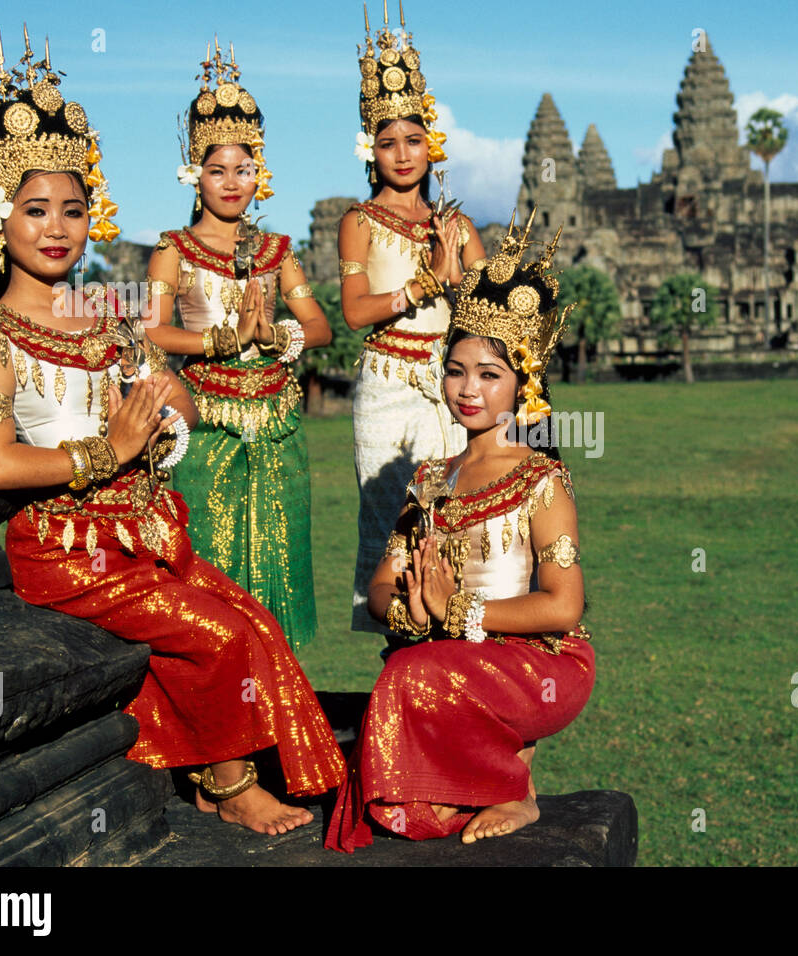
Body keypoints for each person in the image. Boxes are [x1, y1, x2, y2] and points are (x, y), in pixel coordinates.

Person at [0, 30, 343, 834]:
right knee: (218, 632)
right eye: (35, 210)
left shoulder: (104, 316)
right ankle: (228, 783)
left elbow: (181, 411)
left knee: (255, 621)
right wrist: (109, 450)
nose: (58, 228)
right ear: (0, 216)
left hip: (143, 532)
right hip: (66, 550)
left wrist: (168, 405)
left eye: (72, 209)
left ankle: (217, 774)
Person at [327, 213, 593, 851]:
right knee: (408, 771)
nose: (468, 389)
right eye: (456, 370)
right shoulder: (430, 478)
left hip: (540, 662)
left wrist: (461, 611)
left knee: (409, 678)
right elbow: (382, 588)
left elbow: (564, 607)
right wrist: (416, 614)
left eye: (489, 374)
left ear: (523, 385)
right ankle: (469, 777)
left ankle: (512, 785)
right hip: (446, 652)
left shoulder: (540, 478)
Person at [144, 41, 331, 652]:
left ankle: (278, 710)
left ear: (261, 174)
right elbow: (151, 329)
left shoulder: (277, 253)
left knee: (279, 561)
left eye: (243, 169)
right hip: (207, 424)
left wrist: (277, 335)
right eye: (217, 169)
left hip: (277, 419)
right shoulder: (173, 248)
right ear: (193, 172)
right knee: (213, 560)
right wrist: (222, 338)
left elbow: (321, 326)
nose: (231, 183)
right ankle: (217, 707)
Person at [341, 4, 486, 635]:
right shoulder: (359, 222)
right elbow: (354, 312)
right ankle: (398, 667)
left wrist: (466, 284)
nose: (402, 154)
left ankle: (454, 659)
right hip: (388, 387)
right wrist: (427, 281)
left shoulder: (455, 225)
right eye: (387, 142)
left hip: (451, 389)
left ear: (432, 146)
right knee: (393, 525)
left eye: (414, 140)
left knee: (454, 523)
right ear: (370, 149)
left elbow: (490, 311)